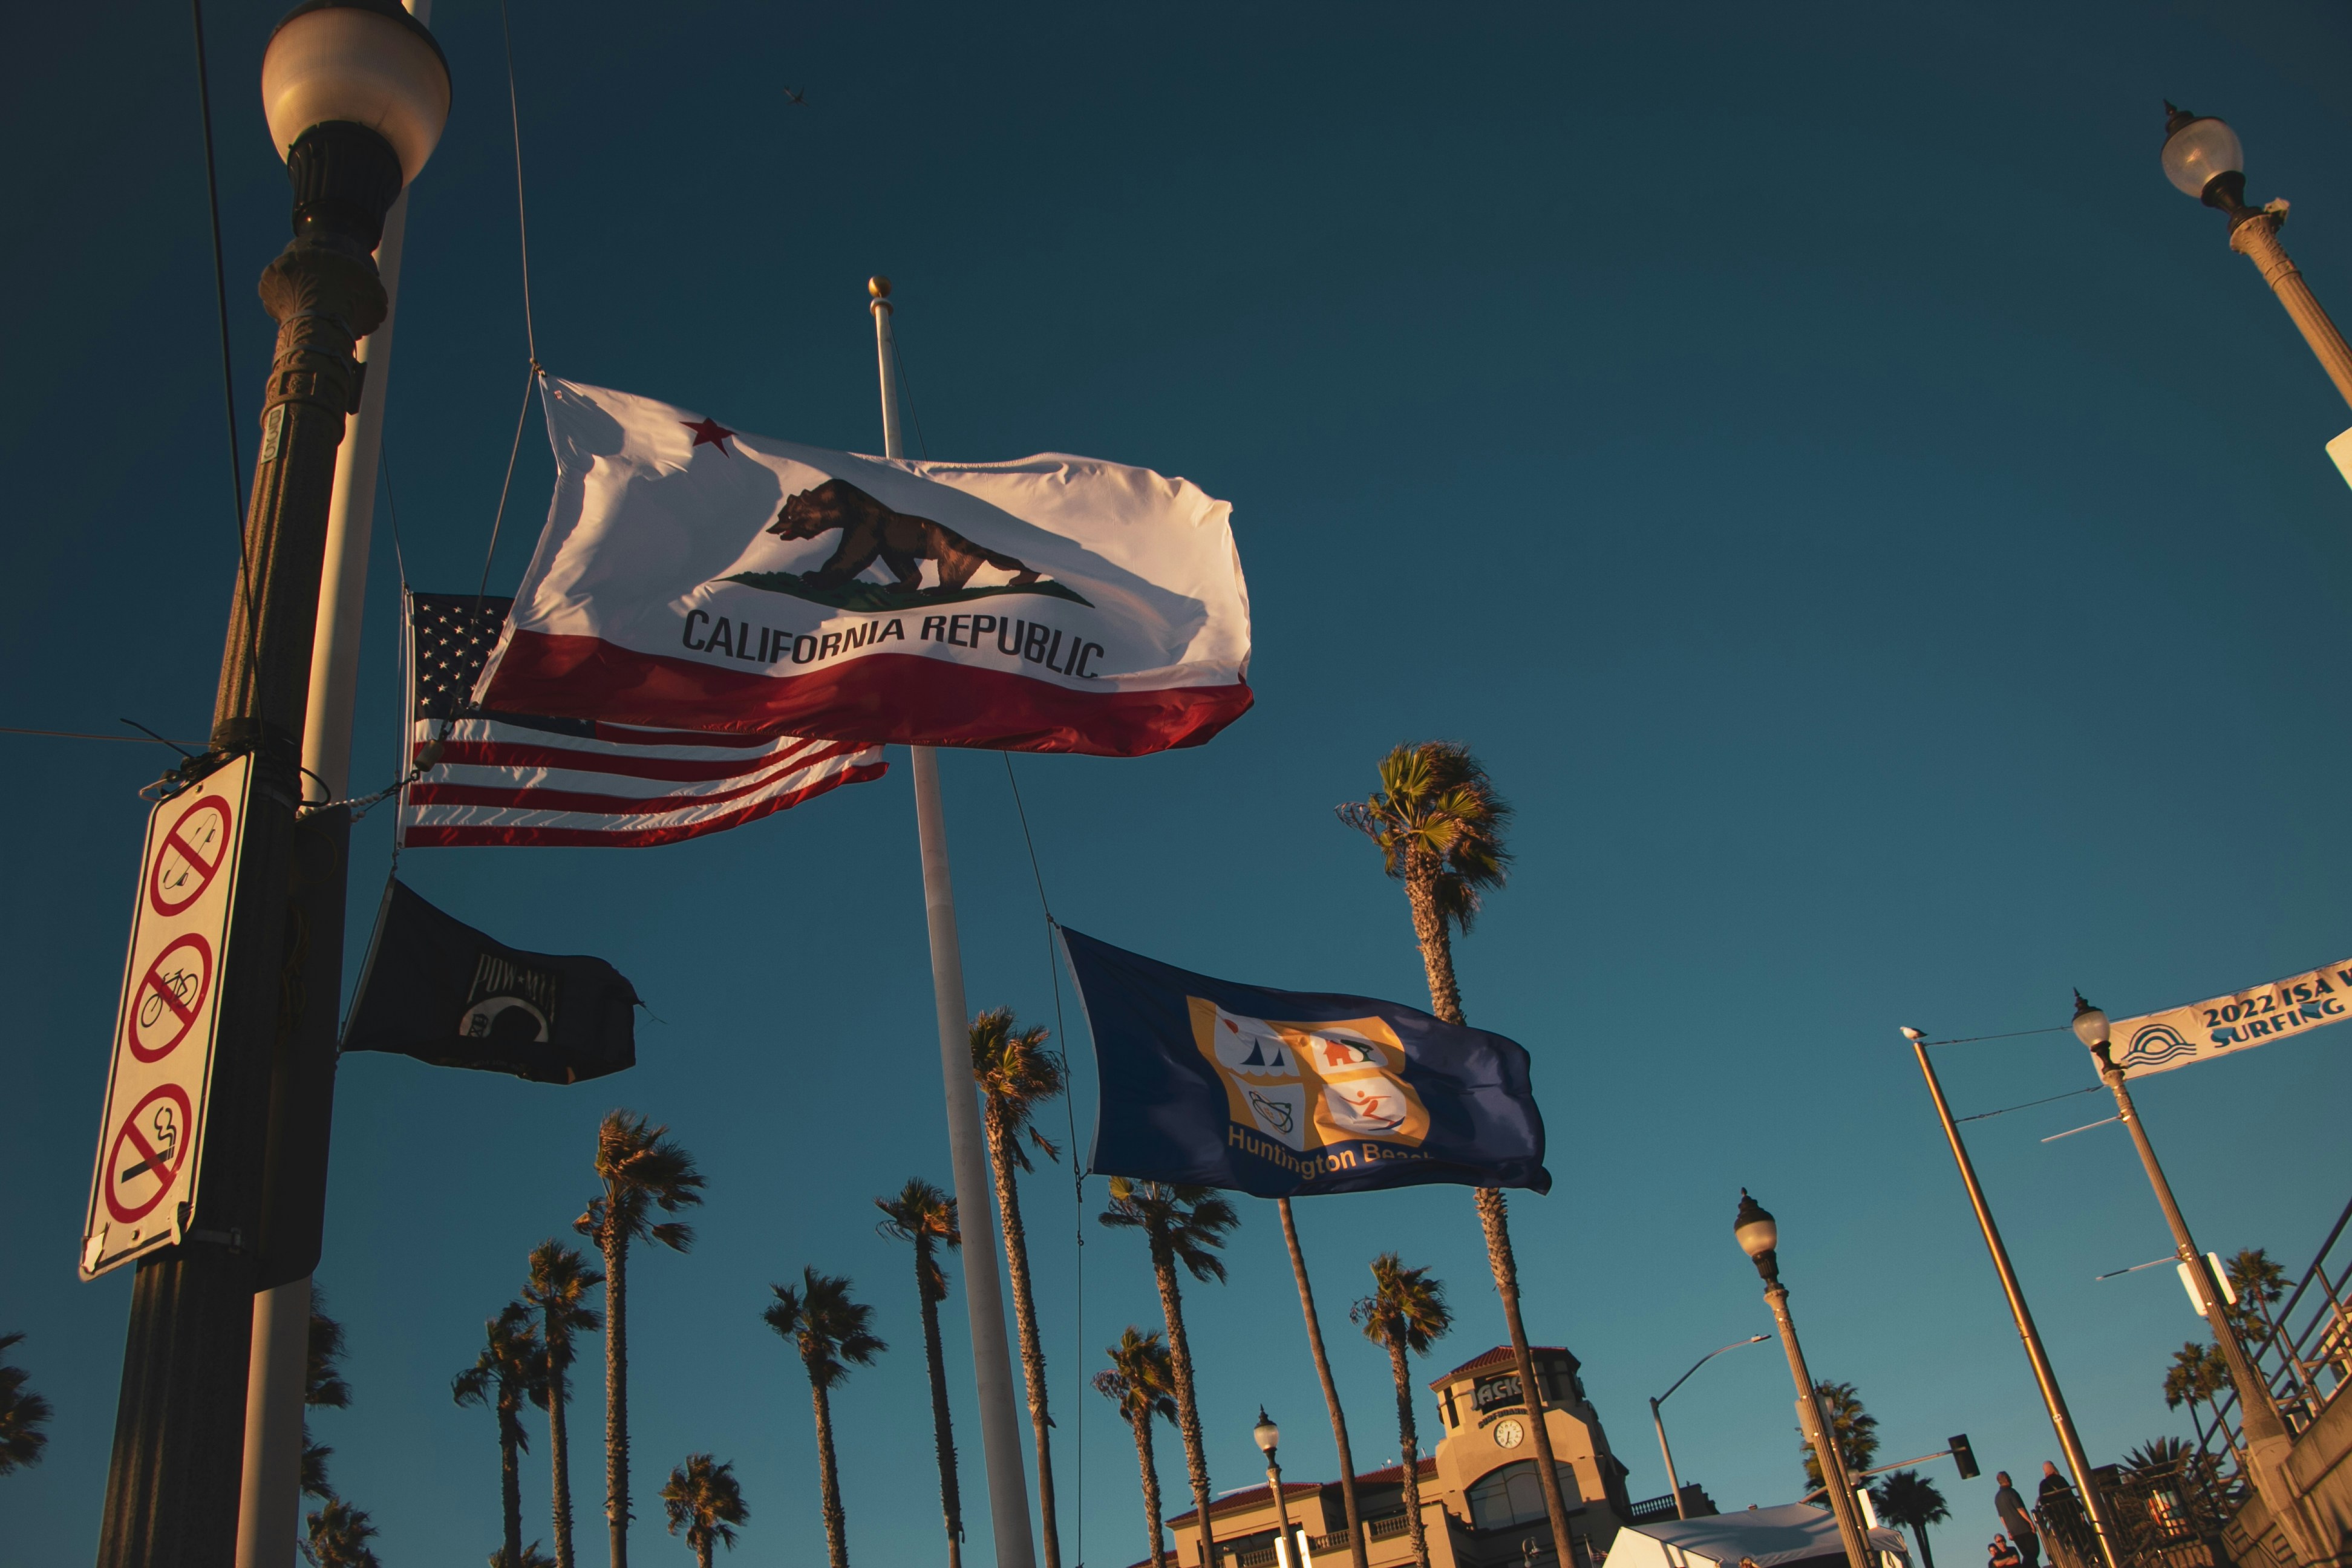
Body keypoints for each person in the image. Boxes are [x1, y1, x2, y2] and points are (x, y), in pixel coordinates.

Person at [1994, 1472, 2041, 1568]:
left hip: (2014, 1531)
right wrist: (2030, 1522)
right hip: (2023, 1527)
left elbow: (2002, 1517)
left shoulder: (1998, 1498)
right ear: (2007, 1480)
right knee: (2033, 1551)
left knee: (2027, 1553)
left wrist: (2008, 1530)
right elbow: (2020, 1509)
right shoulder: (2011, 1492)